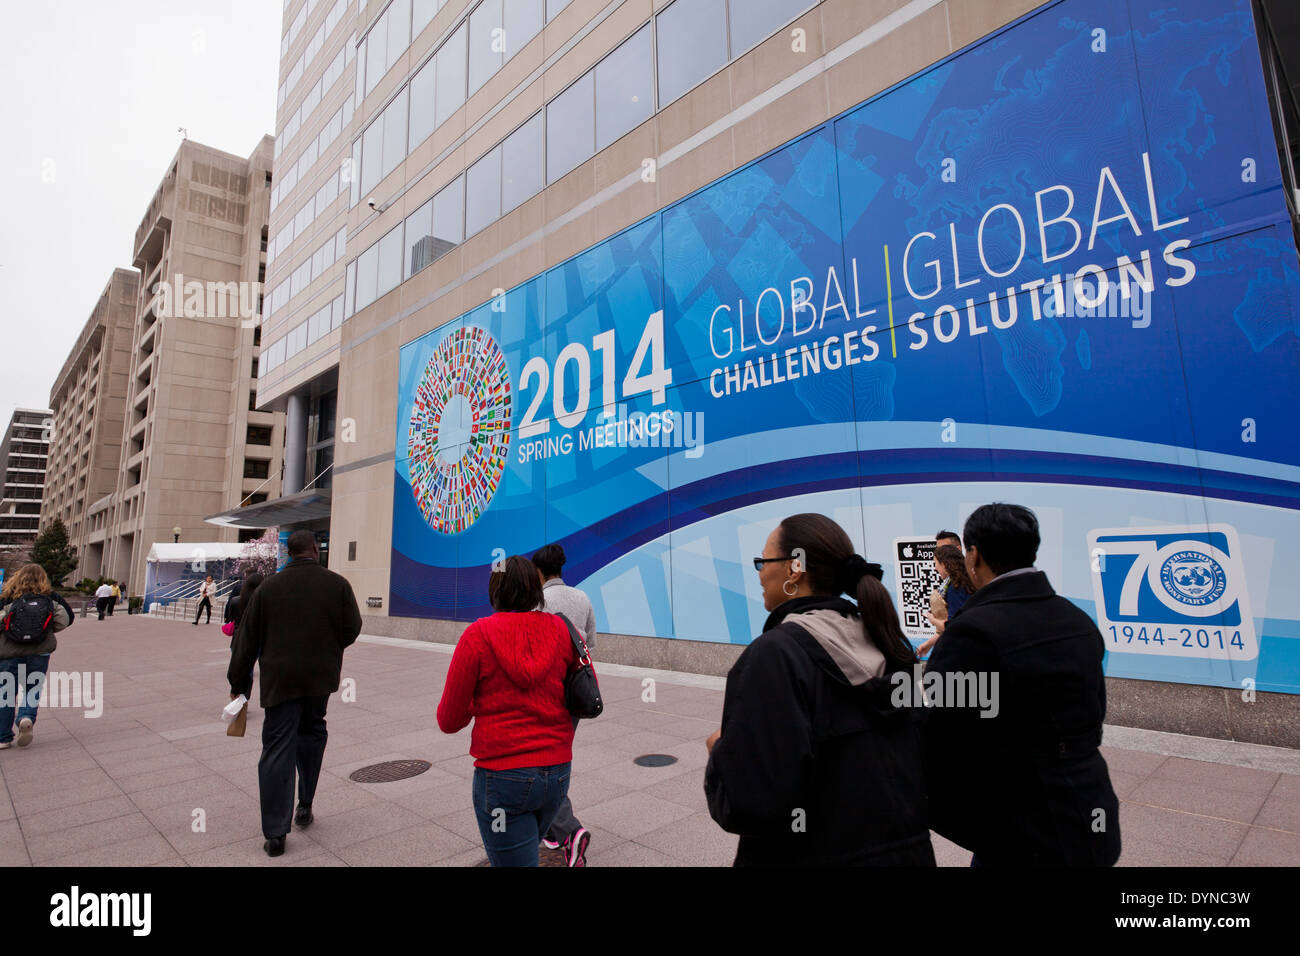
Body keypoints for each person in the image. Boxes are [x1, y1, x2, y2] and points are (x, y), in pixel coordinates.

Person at [704, 513, 936, 866]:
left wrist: (722, 750)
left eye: (763, 561)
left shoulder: (776, 656)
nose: (760, 573)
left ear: (794, 568)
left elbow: (750, 805)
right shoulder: (888, 642)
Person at [924, 503, 1121, 867]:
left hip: (1022, 834)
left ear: (974, 555)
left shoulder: (973, 632)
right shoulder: (1077, 620)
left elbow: (938, 738)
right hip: (1093, 814)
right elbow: (1093, 720)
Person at [437, 555, 577, 867]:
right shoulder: (561, 630)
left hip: (504, 778)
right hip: (556, 775)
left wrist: (480, 702)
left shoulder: (478, 635)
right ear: (535, 589)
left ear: (495, 589)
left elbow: (449, 719)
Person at [228, 531, 361, 858]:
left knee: (276, 747)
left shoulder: (268, 589)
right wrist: (328, 649)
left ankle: (275, 832)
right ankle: (305, 803)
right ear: (315, 549)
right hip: (319, 678)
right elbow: (352, 627)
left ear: (289, 552)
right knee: (313, 733)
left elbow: (246, 640)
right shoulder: (337, 585)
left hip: (279, 681)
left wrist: (239, 682)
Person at [531, 542, 595, 867]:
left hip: (547, 694)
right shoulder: (581, 598)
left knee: (544, 765)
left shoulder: (538, 602)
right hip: (577, 694)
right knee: (559, 756)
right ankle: (554, 831)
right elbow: (591, 644)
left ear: (539, 571)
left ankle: (570, 831)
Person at [0, 564, 73, 750]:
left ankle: (3, 737)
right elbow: (67, 618)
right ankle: (26, 716)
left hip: (9, 653)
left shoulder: (8, 596)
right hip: (39, 652)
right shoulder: (50, 596)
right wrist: (46, 630)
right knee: (32, 688)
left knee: (6, 694)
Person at [917, 544, 976, 657]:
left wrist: (932, 619)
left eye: (936, 564)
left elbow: (953, 626)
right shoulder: (968, 581)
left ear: (944, 564)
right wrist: (929, 644)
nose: (935, 568)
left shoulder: (955, 587)